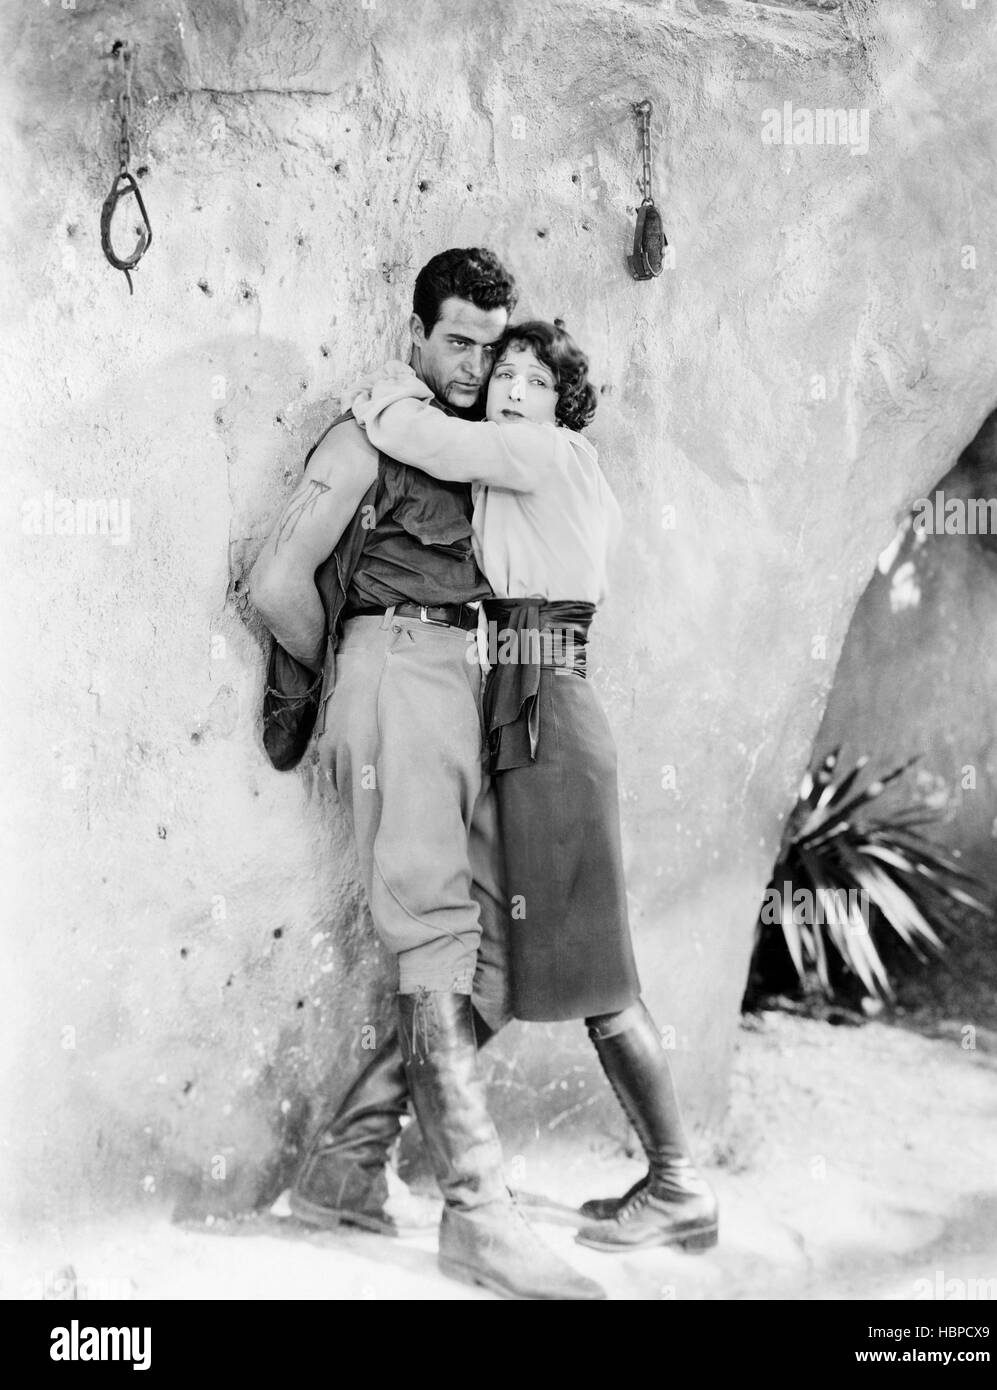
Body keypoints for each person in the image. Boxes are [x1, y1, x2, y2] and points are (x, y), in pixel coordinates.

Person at [250, 252, 606, 1300]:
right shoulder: (373, 429)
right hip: (402, 665)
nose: (473, 362)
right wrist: (353, 673)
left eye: (488, 344)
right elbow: (276, 584)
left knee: (480, 945)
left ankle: (345, 1168)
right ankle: (477, 1214)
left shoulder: (477, 446)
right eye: (455, 339)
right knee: (437, 934)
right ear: (413, 334)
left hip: (463, 687)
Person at [345, 319, 719, 1254]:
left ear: (561, 404)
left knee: (592, 965)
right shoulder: (536, 466)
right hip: (532, 704)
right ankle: (357, 1151)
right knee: (503, 956)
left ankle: (679, 1183)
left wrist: (384, 397)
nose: (511, 386)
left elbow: (428, 438)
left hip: (545, 709)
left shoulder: (540, 452)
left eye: (533, 379)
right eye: (501, 372)